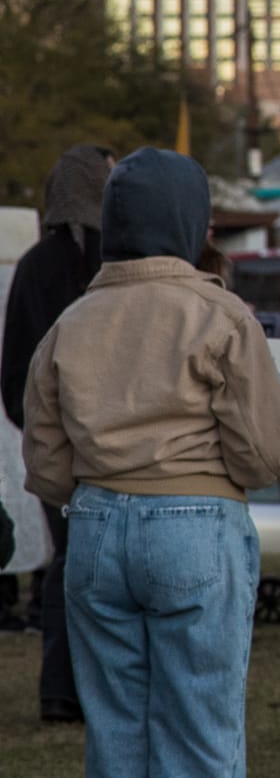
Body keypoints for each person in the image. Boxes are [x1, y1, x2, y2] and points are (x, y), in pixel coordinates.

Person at [21, 148, 280, 778]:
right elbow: (265, 455)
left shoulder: (70, 324)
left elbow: (45, 464)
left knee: (116, 738)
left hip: (96, 529)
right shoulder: (221, 315)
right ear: (190, 219)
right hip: (196, 526)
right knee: (201, 737)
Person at [0, 143, 112, 725]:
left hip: (55, 443)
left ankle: (62, 689)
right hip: (113, 443)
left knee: (71, 563)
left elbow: (13, 368)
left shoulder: (36, 266)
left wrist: (42, 428)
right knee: (95, 565)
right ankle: (87, 688)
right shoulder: (115, 263)